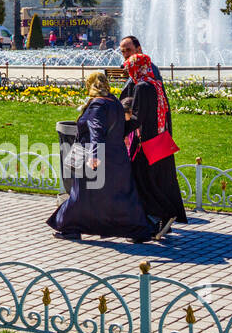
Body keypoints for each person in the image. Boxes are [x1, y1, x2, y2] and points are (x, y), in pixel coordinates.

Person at [47, 72, 154, 242]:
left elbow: (96, 131)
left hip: (95, 157)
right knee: (122, 196)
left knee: (81, 195)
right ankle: (139, 230)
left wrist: (95, 155)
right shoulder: (115, 103)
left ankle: (70, 228)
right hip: (117, 157)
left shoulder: (97, 105)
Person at [122, 52, 186, 238]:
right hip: (160, 140)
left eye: (130, 68)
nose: (128, 72)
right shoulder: (155, 84)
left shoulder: (142, 86)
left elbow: (137, 118)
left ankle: (160, 216)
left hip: (145, 143)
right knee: (156, 180)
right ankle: (158, 219)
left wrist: (120, 128)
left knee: (140, 181)